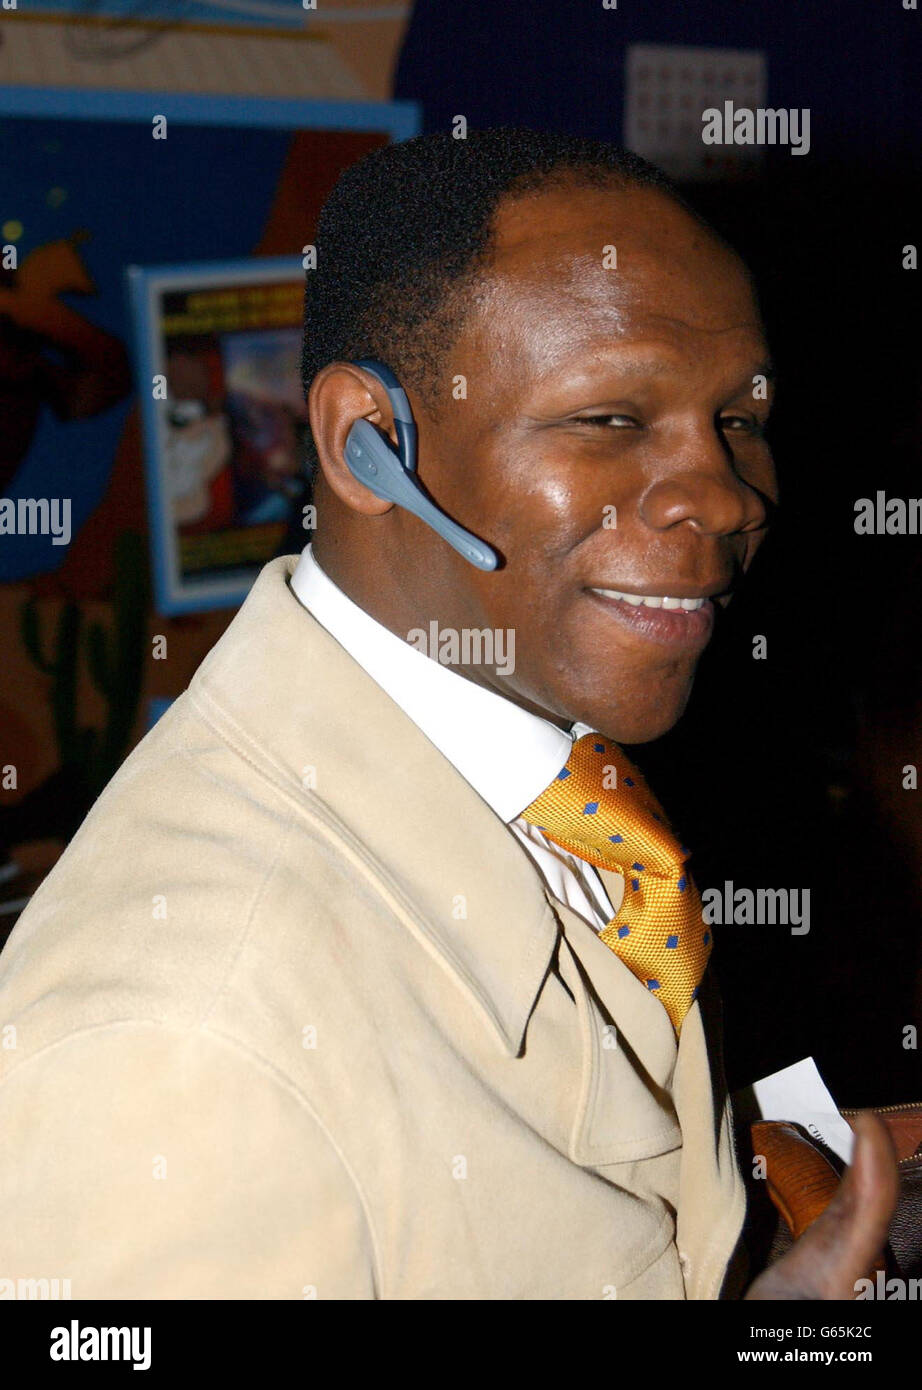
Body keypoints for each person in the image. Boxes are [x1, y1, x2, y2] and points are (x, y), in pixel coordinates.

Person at [0, 128, 897, 1300]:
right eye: (611, 419)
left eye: (739, 417)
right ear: (364, 445)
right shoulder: (178, 1039)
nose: (723, 498)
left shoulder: (539, 761)